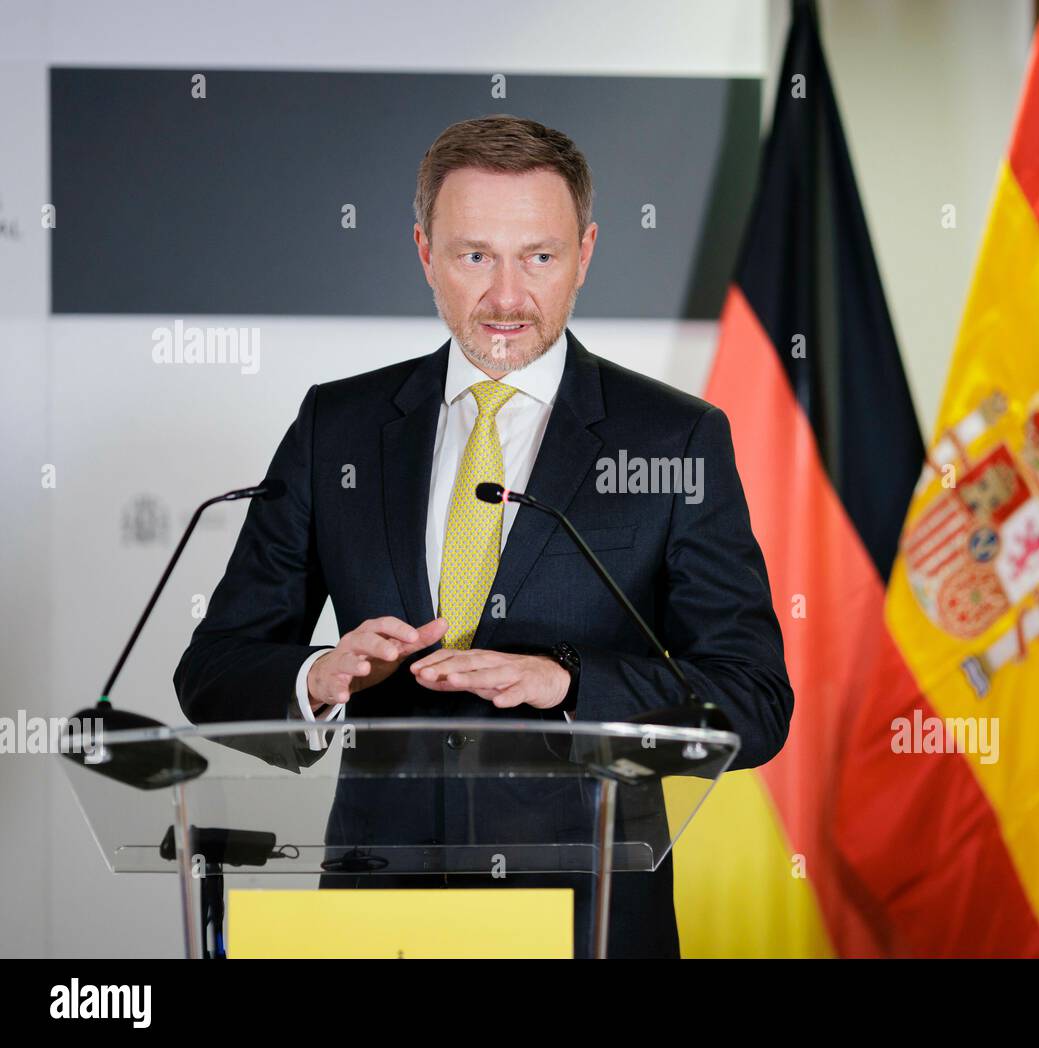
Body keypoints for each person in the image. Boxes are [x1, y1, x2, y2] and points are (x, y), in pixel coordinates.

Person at [174, 114, 793, 957]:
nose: (506, 297)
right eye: (475, 257)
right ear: (425, 253)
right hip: (376, 917)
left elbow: (752, 703)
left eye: (539, 256)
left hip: (591, 920)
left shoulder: (673, 440)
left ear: (586, 253)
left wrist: (567, 684)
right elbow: (213, 670)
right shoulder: (340, 427)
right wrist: (318, 675)